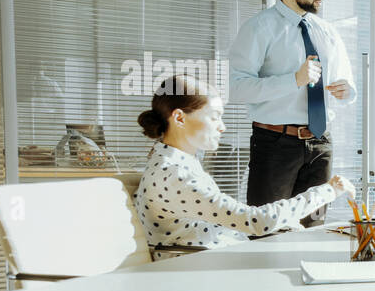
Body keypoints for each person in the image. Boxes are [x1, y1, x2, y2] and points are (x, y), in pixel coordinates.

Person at [134, 74, 355, 252]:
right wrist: (329, 191)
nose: (222, 127)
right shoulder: (173, 173)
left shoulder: (176, 161)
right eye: (214, 117)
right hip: (198, 271)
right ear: (180, 118)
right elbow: (256, 222)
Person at [228, 0, 356, 227]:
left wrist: (348, 91)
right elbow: (237, 88)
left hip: (321, 143)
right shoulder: (259, 28)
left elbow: (347, 82)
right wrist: (293, 80)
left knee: (314, 230)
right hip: (275, 145)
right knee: (266, 230)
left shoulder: (327, 31)